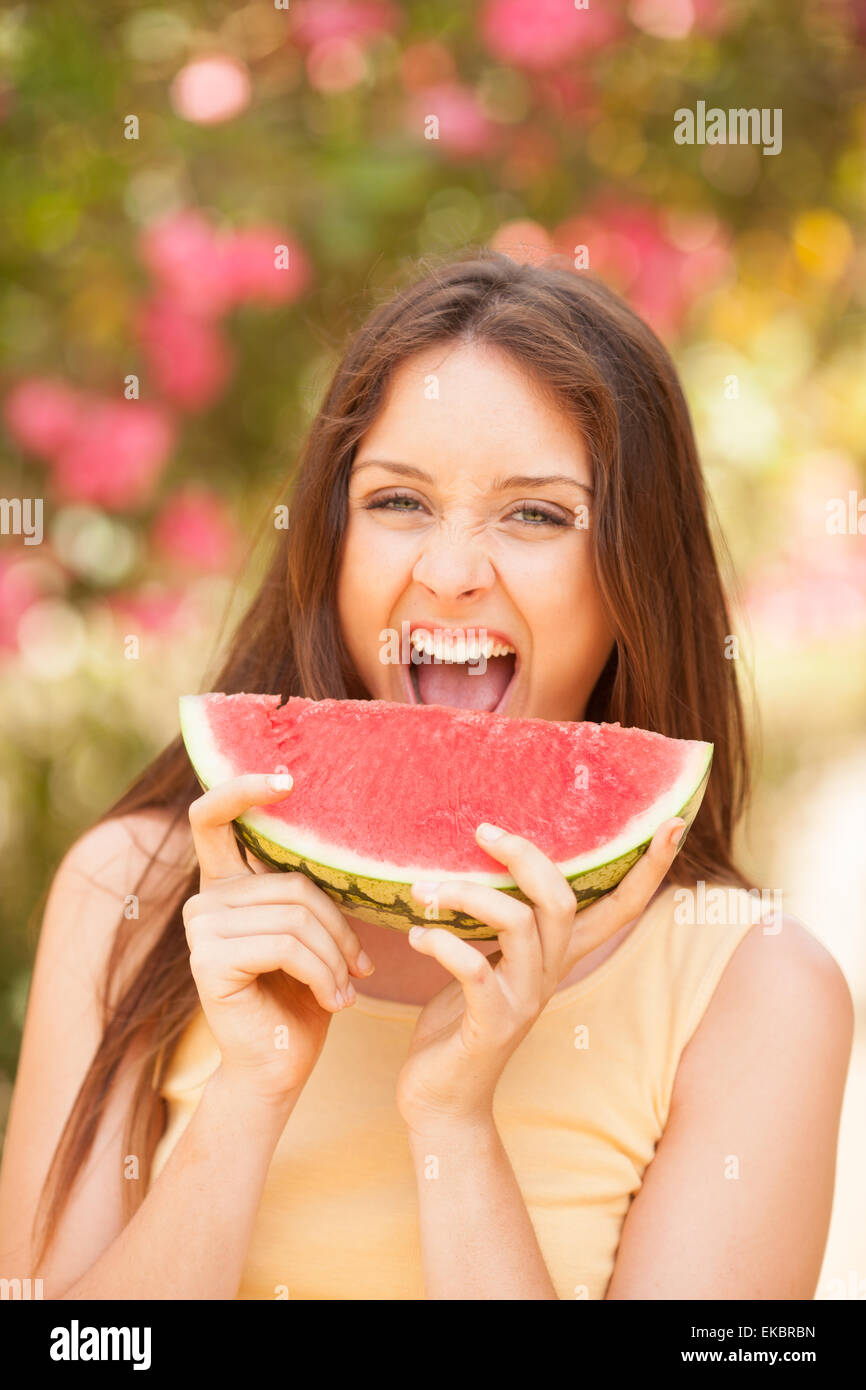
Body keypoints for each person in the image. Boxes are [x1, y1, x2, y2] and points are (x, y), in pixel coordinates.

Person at [0, 250, 853, 1300]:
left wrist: (453, 1126)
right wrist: (246, 1095)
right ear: (331, 537)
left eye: (535, 514)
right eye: (397, 501)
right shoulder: (130, 895)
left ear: (637, 574)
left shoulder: (755, 993)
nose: (448, 572)